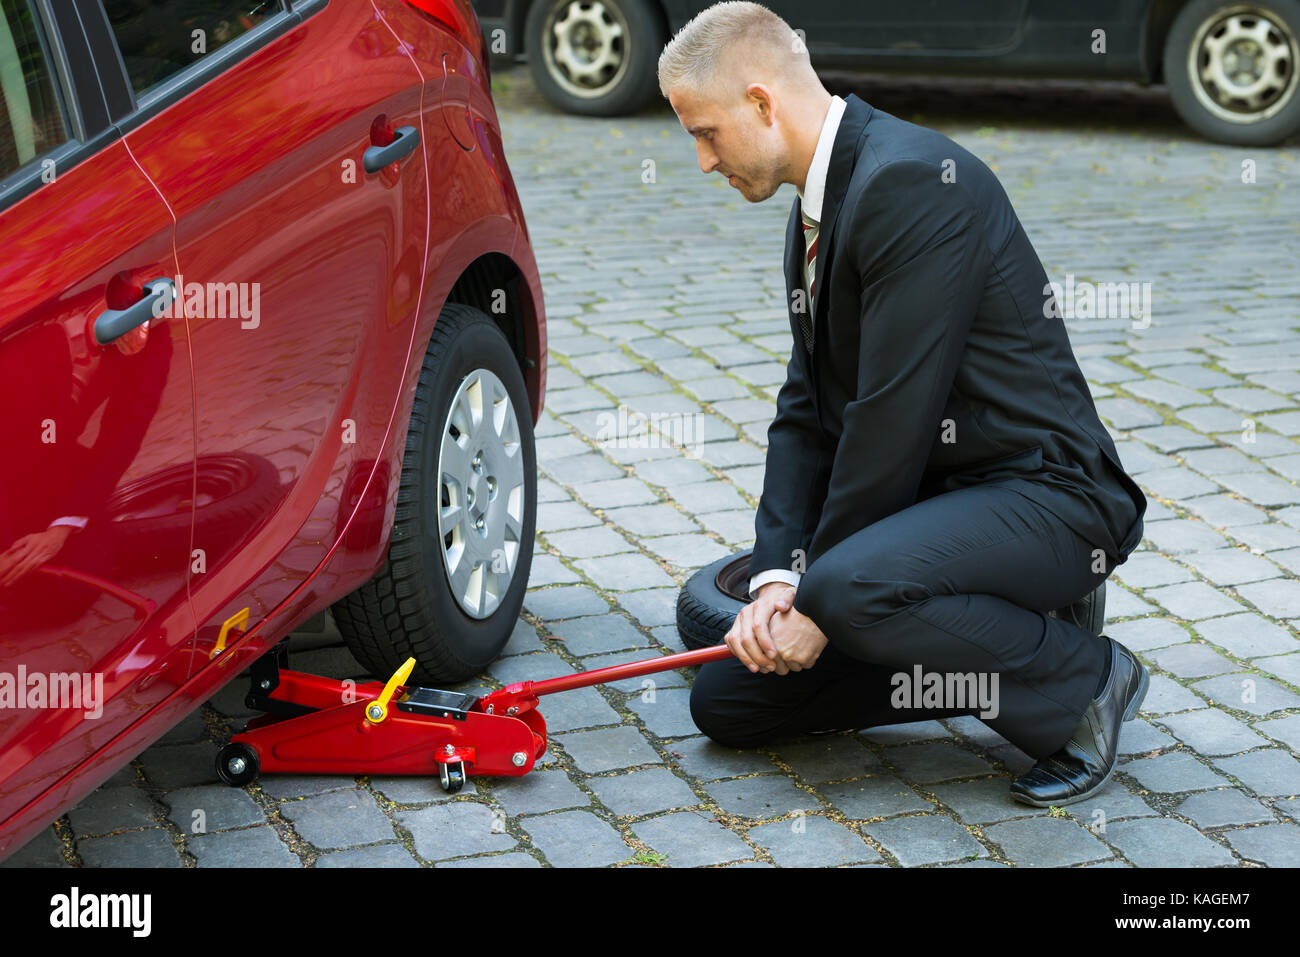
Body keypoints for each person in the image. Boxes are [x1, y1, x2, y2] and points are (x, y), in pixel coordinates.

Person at [659, 1, 1150, 807]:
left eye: (704, 133)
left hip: (1047, 498)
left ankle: (1085, 678)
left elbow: (890, 419)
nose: (704, 162)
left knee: (849, 592)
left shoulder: (911, 183)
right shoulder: (818, 201)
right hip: (937, 513)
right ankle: (996, 663)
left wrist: (822, 599)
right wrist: (779, 579)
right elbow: (804, 408)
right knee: (729, 703)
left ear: (760, 102)